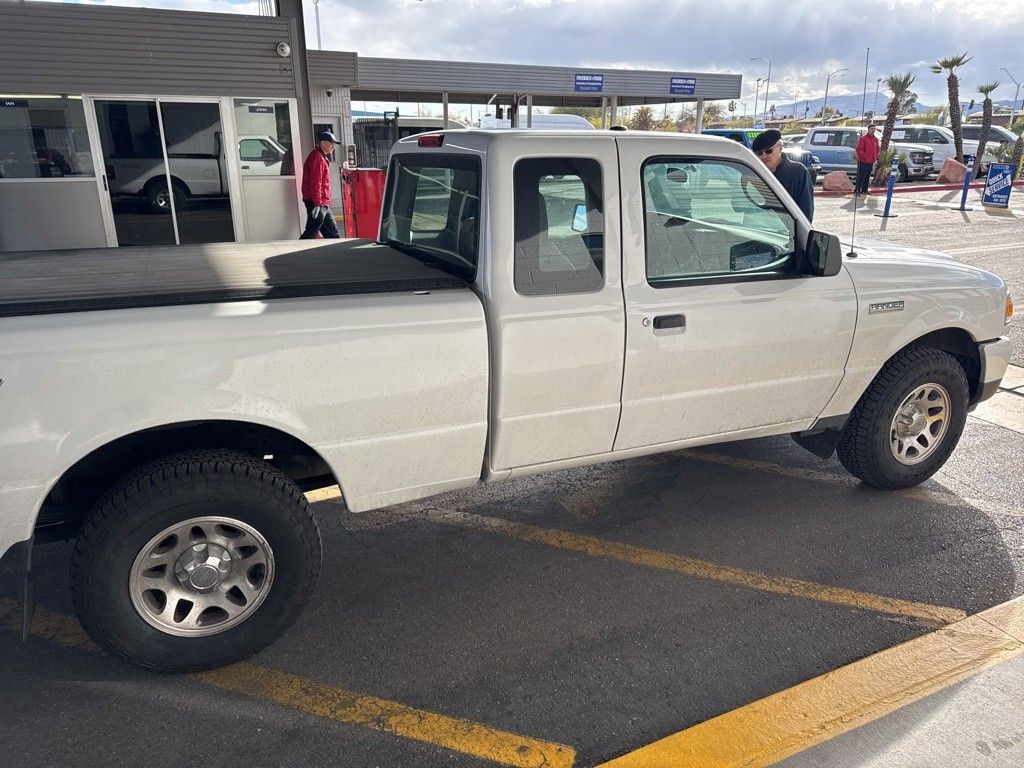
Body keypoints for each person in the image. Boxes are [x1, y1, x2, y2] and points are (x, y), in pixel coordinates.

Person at [750, 129, 814, 221]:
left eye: (768, 151)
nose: (763, 156)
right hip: (760, 230)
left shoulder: (797, 171)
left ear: (780, 148)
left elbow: (806, 208)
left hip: (788, 230)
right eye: (759, 153)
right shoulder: (753, 172)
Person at [300, 131, 342, 239]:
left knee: (331, 233)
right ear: (323, 143)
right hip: (317, 202)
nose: (333, 146)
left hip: (320, 202)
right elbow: (316, 182)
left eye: (334, 144)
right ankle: (293, 253)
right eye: (331, 143)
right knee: (312, 232)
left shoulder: (320, 157)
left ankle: (338, 254)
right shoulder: (318, 157)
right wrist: (318, 203)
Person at [854, 123, 880, 196]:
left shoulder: (875, 139)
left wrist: (876, 157)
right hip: (863, 161)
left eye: (874, 129)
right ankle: (857, 190)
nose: (873, 130)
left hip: (871, 161)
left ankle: (864, 190)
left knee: (867, 176)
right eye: (872, 129)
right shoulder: (863, 138)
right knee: (860, 176)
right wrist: (865, 157)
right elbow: (859, 149)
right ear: (868, 129)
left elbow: (877, 149)